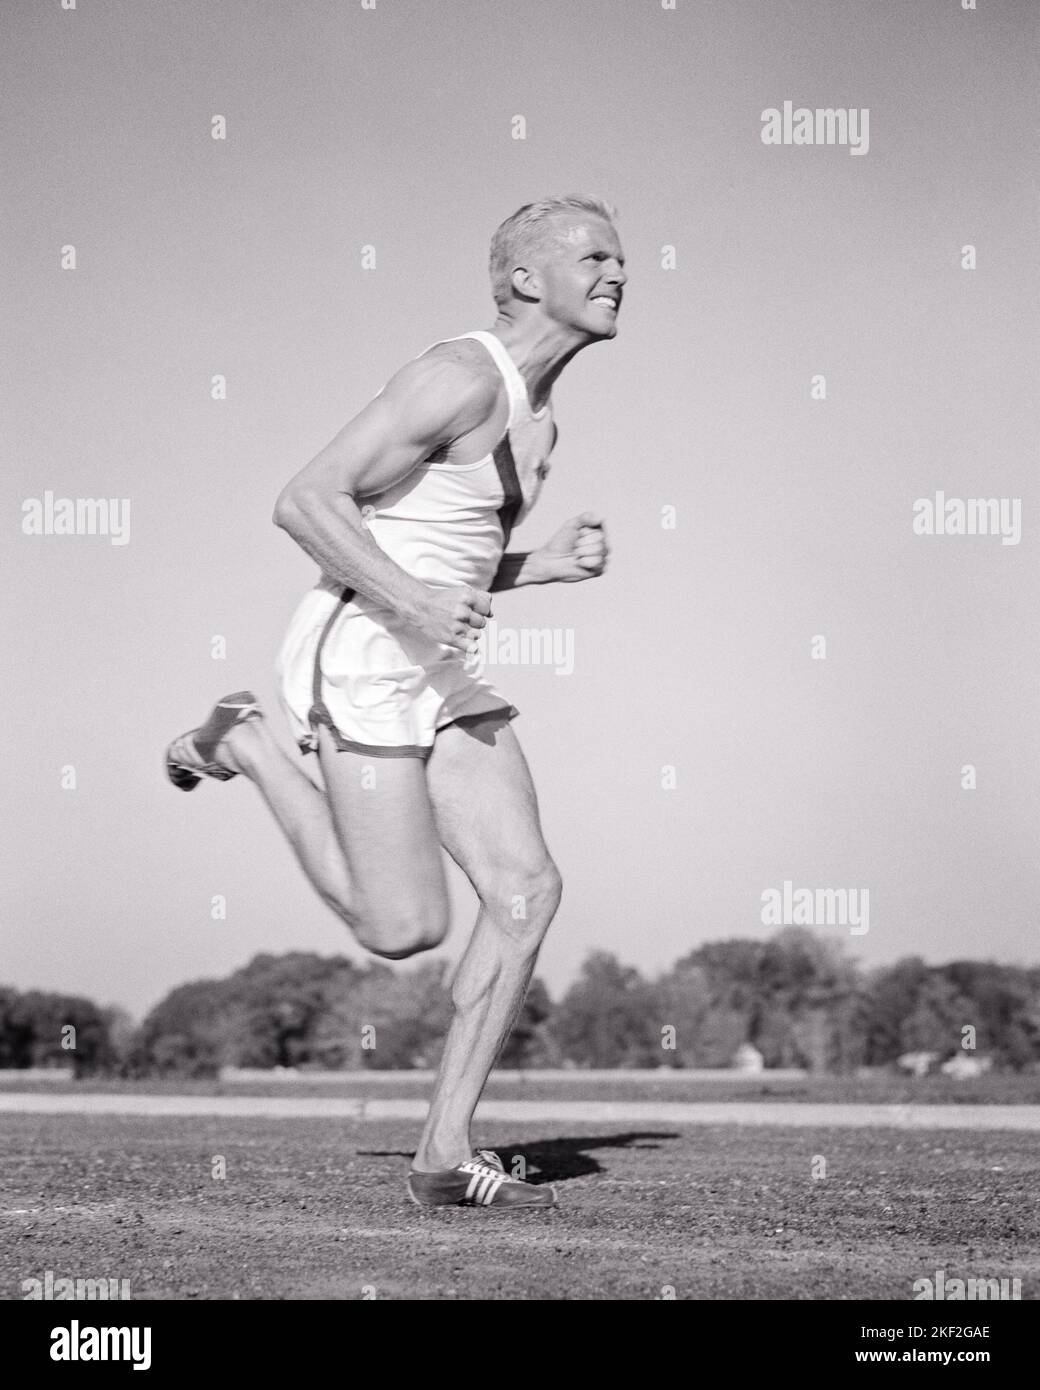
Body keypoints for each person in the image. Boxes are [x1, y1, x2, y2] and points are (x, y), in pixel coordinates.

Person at [166, 195, 625, 1207]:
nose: (616, 274)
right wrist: (412, 598)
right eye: (592, 256)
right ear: (521, 280)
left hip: (432, 664)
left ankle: (439, 1155)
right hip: (365, 654)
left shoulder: (541, 421)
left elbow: (435, 548)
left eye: (620, 261)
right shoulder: (458, 376)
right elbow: (305, 498)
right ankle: (245, 741)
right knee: (402, 927)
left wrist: (532, 568)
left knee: (525, 892)